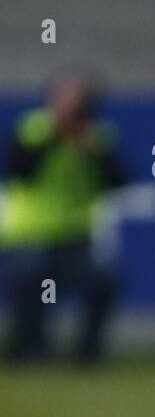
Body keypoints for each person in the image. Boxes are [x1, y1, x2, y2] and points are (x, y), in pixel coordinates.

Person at [1, 72, 129, 363]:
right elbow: (16, 170)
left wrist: (92, 151)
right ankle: (30, 351)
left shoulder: (96, 137)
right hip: (29, 236)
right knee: (31, 278)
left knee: (105, 281)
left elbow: (120, 181)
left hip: (76, 238)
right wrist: (56, 135)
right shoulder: (33, 129)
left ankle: (86, 354)